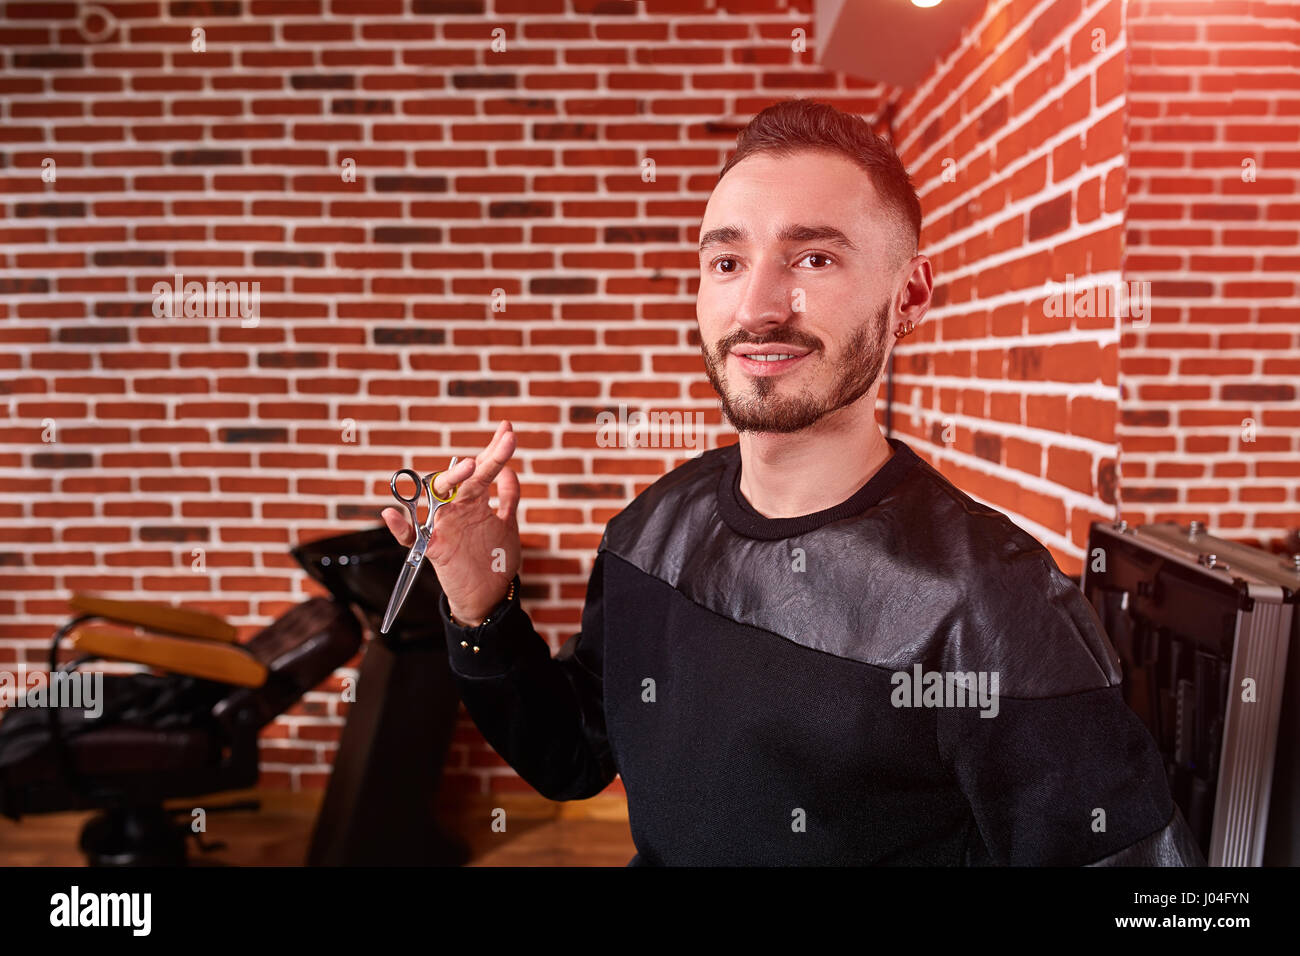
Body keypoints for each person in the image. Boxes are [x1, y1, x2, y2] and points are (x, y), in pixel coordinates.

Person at [383, 99, 1204, 866]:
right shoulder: (648, 530)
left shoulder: (992, 605)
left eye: (814, 257)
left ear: (909, 294)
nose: (758, 307)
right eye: (727, 260)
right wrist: (480, 606)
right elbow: (571, 757)